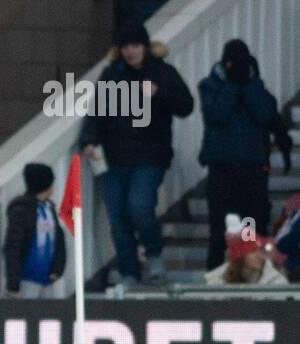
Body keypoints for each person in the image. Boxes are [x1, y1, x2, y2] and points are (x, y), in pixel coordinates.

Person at [79, 20, 194, 286]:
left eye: (135, 46)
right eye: (125, 47)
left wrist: (159, 94)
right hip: (113, 157)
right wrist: (90, 139)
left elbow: (186, 105)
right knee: (117, 218)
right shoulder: (111, 74)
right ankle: (130, 271)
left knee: (140, 207)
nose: (130, 52)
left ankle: (153, 255)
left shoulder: (163, 73)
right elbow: (97, 111)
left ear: (144, 46)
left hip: (150, 157)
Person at [197, 39, 281, 271]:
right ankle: (215, 273)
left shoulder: (256, 85)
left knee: (252, 226)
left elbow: (265, 115)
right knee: (219, 229)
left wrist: (249, 83)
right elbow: (217, 115)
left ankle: (255, 274)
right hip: (221, 167)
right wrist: (233, 84)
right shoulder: (210, 85)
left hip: (253, 168)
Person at [2, 162, 65, 298]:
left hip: (47, 280)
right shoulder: (22, 210)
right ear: (45, 184)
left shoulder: (49, 208)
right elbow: (13, 247)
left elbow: (58, 240)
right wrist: (13, 283)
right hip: (26, 280)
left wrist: (57, 269)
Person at [204, 233, 287, 286]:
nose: (259, 255)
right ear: (240, 256)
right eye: (253, 251)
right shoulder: (217, 279)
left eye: (260, 250)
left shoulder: (276, 280)